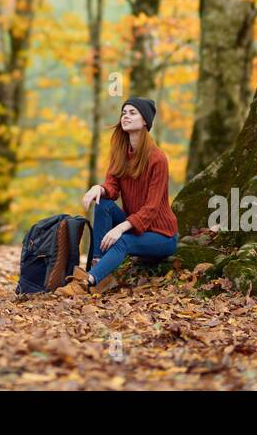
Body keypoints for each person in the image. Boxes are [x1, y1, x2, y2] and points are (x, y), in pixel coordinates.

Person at [57, 97, 179, 296]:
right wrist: (100, 188)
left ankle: (87, 281)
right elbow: (112, 188)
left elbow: (151, 208)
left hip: (161, 235)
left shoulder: (157, 159)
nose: (126, 117)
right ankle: (100, 270)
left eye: (132, 113)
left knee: (122, 241)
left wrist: (120, 228)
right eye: (124, 113)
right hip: (137, 227)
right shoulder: (120, 152)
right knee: (102, 203)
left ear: (145, 122)